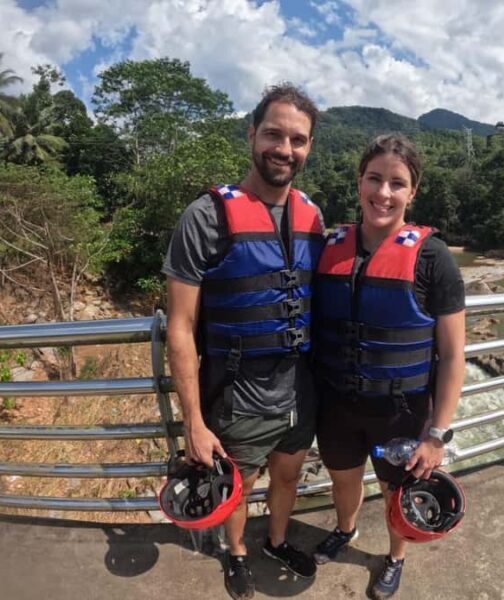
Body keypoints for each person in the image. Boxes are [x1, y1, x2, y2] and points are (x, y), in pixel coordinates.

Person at [163, 83, 324, 600]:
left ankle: (275, 540)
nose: (285, 148)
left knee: (289, 472)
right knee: (240, 481)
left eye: (297, 139)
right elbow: (181, 327)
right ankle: (235, 552)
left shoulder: (313, 217)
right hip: (238, 386)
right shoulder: (205, 217)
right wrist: (193, 421)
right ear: (252, 134)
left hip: (300, 383)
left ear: (309, 148)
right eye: (274, 134)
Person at [312, 133, 466, 599]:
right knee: (342, 478)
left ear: (412, 191)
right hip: (336, 402)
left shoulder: (434, 258)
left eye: (396, 183)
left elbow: (455, 354)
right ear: (359, 182)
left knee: (397, 492)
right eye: (374, 179)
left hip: (399, 408)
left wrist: (435, 434)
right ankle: (346, 529)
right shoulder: (328, 246)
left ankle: (395, 557)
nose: (383, 193)